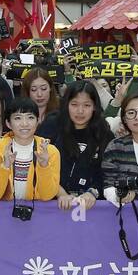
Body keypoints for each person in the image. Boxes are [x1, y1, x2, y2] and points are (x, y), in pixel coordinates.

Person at [38, 79, 112, 211]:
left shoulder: (104, 133)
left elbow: (108, 172)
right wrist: (60, 193)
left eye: (87, 105)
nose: (80, 111)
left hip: (91, 207)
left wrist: (93, 192)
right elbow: (38, 164)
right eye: (74, 104)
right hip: (50, 203)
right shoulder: (51, 125)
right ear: (66, 104)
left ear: (95, 106)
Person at [0, 97, 61, 203]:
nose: (24, 123)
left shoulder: (50, 152)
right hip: (4, 211)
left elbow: (47, 196)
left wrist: (44, 167)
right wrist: (4, 166)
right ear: (8, 123)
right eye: (18, 118)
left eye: (30, 117)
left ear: (38, 121)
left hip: (36, 212)